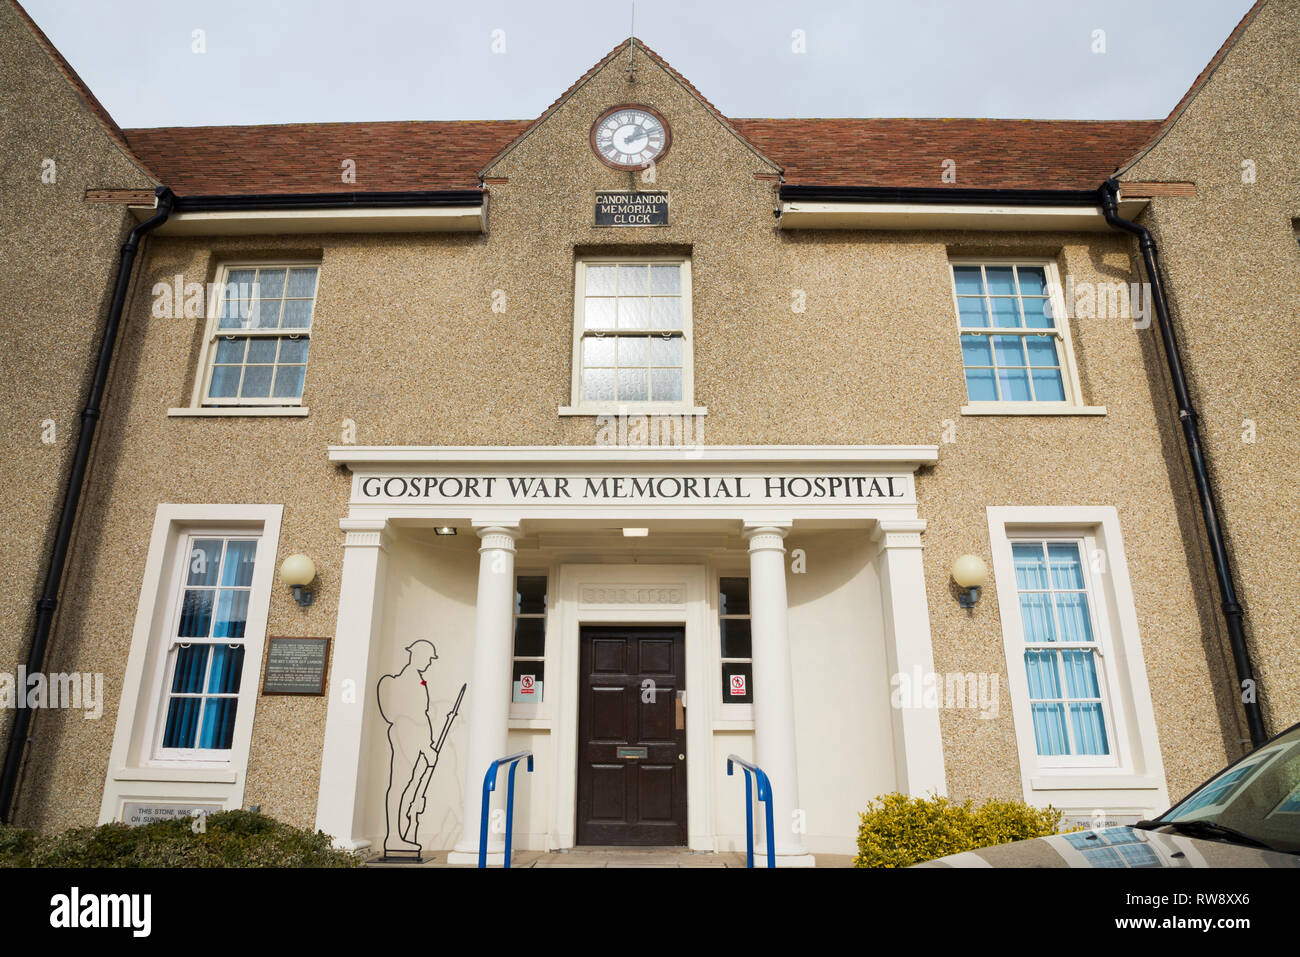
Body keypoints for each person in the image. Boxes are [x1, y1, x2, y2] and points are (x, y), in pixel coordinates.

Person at [376, 640, 439, 855]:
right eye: (428, 658)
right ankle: (394, 837)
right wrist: (426, 747)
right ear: (419, 655)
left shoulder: (418, 680)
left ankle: (397, 836)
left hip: (414, 742)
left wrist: (427, 745)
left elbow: (421, 716)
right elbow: (412, 717)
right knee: (400, 787)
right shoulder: (409, 680)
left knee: (406, 787)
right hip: (406, 740)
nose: (430, 662)